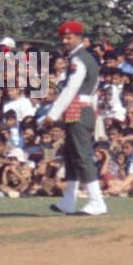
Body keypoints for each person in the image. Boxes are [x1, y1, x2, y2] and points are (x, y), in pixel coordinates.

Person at [41, 21, 106, 215]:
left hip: (79, 110)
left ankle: (97, 200)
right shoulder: (84, 58)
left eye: (69, 37)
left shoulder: (79, 60)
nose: (65, 41)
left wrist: (52, 114)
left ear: (79, 37)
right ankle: (69, 198)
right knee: (71, 154)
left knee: (82, 155)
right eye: (63, 37)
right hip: (78, 109)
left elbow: (71, 89)